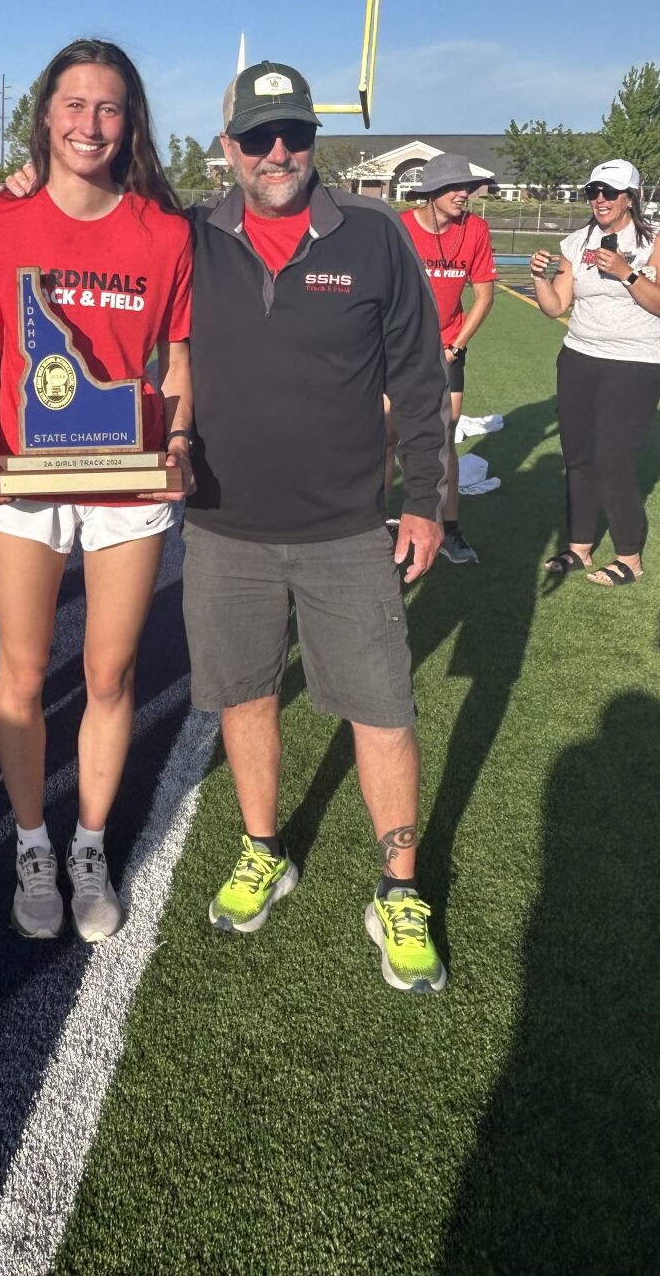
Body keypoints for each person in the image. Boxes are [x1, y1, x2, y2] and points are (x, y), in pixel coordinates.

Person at [184, 60, 450, 994]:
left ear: (312, 139)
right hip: (222, 527)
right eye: (256, 137)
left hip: (347, 527)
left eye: (291, 132)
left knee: (382, 706)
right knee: (248, 694)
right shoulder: (188, 240)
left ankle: (398, 886)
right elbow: (88, 234)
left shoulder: (373, 238)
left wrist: (422, 498)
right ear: (228, 150)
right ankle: (265, 848)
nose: (276, 152)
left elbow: (420, 377)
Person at [0, 38, 194, 943]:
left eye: (108, 107)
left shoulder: (162, 233)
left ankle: (87, 844)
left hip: (125, 479)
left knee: (108, 671)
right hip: (25, 478)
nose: (89, 123)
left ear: (129, 120)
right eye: (73, 104)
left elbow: (177, 356)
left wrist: (176, 435)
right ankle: (32, 842)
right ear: (45, 115)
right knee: (20, 673)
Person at [531, 159, 660, 586]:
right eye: (593, 192)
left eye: (608, 191)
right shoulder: (576, 242)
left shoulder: (654, 241)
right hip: (579, 357)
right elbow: (555, 307)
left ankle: (629, 558)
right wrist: (539, 280)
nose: (599, 199)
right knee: (579, 457)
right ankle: (580, 548)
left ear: (630, 198)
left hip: (635, 363)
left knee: (613, 461)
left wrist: (625, 273)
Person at [385, 153, 497, 564]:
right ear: (430, 193)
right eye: (453, 187)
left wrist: (454, 347)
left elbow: (484, 297)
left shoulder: (476, 230)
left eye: (466, 186)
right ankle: (378, 524)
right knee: (386, 436)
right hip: (397, 350)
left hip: (449, 348)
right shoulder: (397, 226)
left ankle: (450, 529)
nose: (463, 193)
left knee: (443, 440)